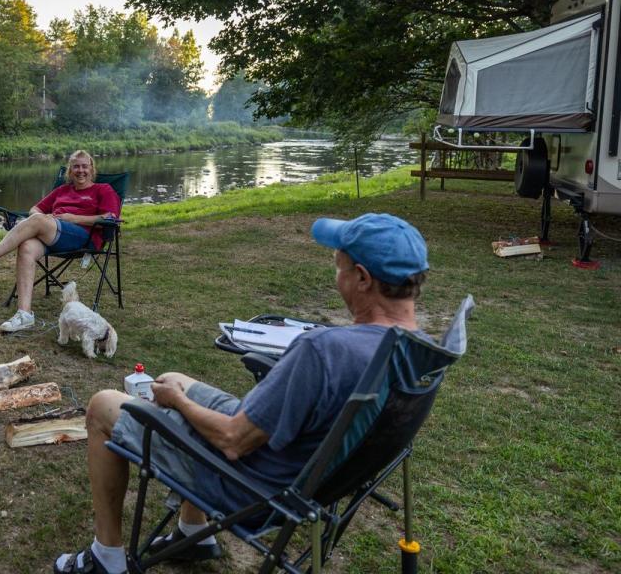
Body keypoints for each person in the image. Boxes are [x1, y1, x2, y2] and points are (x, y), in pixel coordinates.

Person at [52, 212, 430, 574]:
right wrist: (180, 392)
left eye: (338, 266)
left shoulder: (324, 351)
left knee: (104, 405)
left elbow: (232, 440)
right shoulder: (422, 353)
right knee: (173, 376)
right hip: (307, 471)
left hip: (249, 485)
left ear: (362, 278)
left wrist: (178, 403)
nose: (336, 276)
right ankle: (193, 533)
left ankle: (107, 557)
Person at [0, 149, 120, 333]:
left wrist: (73, 218)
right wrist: (45, 220)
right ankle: (25, 314)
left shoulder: (103, 189)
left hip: (85, 237)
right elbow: (35, 209)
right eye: (75, 167)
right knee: (26, 246)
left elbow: (111, 217)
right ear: (70, 171)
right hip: (55, 233)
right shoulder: (62, 190)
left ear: (92, 169)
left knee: (38, 221)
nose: (80, 171)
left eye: (84, 166)